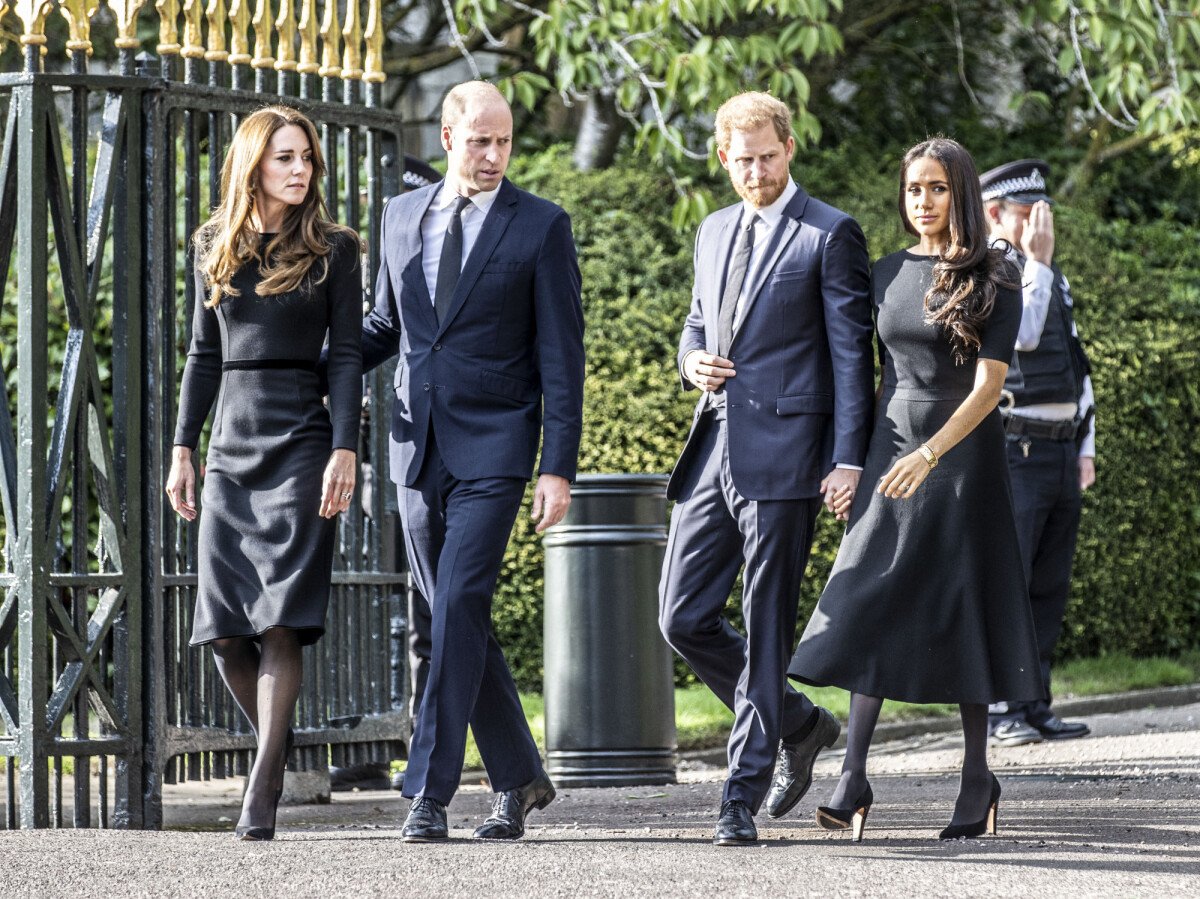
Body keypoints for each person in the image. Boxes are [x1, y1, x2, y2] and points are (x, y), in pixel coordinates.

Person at [788, 137, 1045, 841]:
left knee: (959, 605)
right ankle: (854, 774)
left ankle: (976, 776)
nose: (922, 202)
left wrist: (932, 453)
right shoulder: (884, 272)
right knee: (872, 593)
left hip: (960, 456)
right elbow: (857, 375)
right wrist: (849, 462)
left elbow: (991, 385)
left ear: (958, 191)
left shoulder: (997, 271)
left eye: (934, 189)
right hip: (889, 448)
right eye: (912, 190)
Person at [354, 81, 585, 842]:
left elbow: (562, 358)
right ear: (448, 138)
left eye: (505, 142)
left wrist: (558, 465)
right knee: (453, 617)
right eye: (480, 141)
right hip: (414, 444)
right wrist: (297, 357)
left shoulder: (541, 226)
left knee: (455, 604)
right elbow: (386, 323)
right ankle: (519, 776)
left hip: (497, 446)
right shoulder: (397, 216)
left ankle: (428, 789)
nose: (493, 155)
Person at [658, 91, 876, 847]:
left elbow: (854, 359)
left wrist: (849, 456)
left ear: (790, 150)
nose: (756, 171)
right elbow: (696, 319)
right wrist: (692, 361)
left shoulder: (829, 234)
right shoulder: (714, 230)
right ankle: (800, 723)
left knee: (766, 624)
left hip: (789, 458)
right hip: (713, 445)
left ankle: (739, 796)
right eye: (742, 160)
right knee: (680, 615)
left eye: (768, 156)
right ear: (723, 158)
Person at [166, 106, 363, 841]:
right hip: (231, 446)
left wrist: (347, 446)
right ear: (255, 162)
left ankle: (260, 790)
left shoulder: (336, 250)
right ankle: (274, 756)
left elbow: (345, 355)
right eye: (286, 157)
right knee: (224, 632)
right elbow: (200, 354)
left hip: (304, 443)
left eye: (306, 157)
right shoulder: (214, 246)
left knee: (282, 617)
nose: (301, 169)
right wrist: (183, 447)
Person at [981, 160, 1095, 747]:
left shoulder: (1053, 277)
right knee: (1011, 581)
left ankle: (1035, 703)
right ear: (996, 213)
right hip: (1013, 450)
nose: (1040, 226)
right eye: (1030, 215)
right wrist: (1039, 264)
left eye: (1043, 215)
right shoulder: (991, 274)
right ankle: (1001, 707)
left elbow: (1078, 367)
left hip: (1057, 452)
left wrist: (1086, 447)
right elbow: (1020, 335)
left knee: (1048, 585)